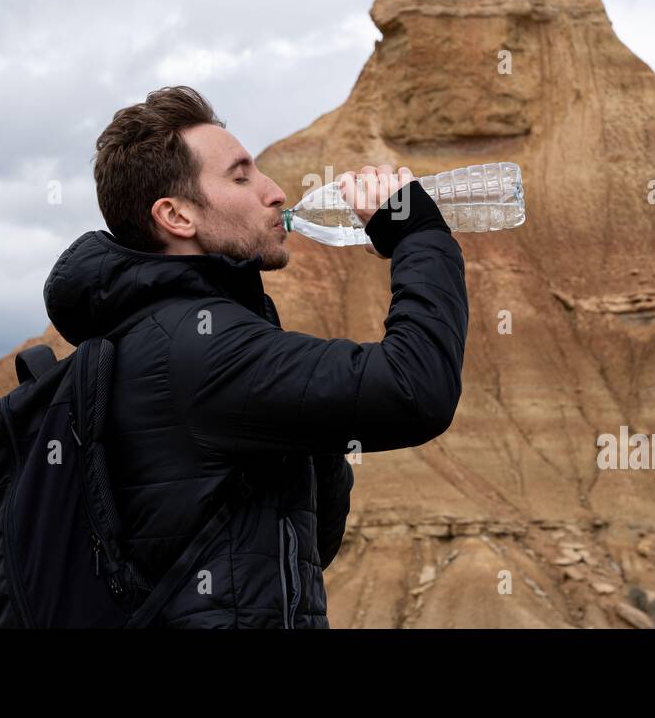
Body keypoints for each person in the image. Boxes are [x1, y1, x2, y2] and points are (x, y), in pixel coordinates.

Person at [43, 85, 469, 628]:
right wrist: (419, 233)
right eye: (241, 176)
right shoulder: (196, 348)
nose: (275, 192)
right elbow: (417, 390)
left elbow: (310, 541)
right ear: (176, 215)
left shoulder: (169, 336)